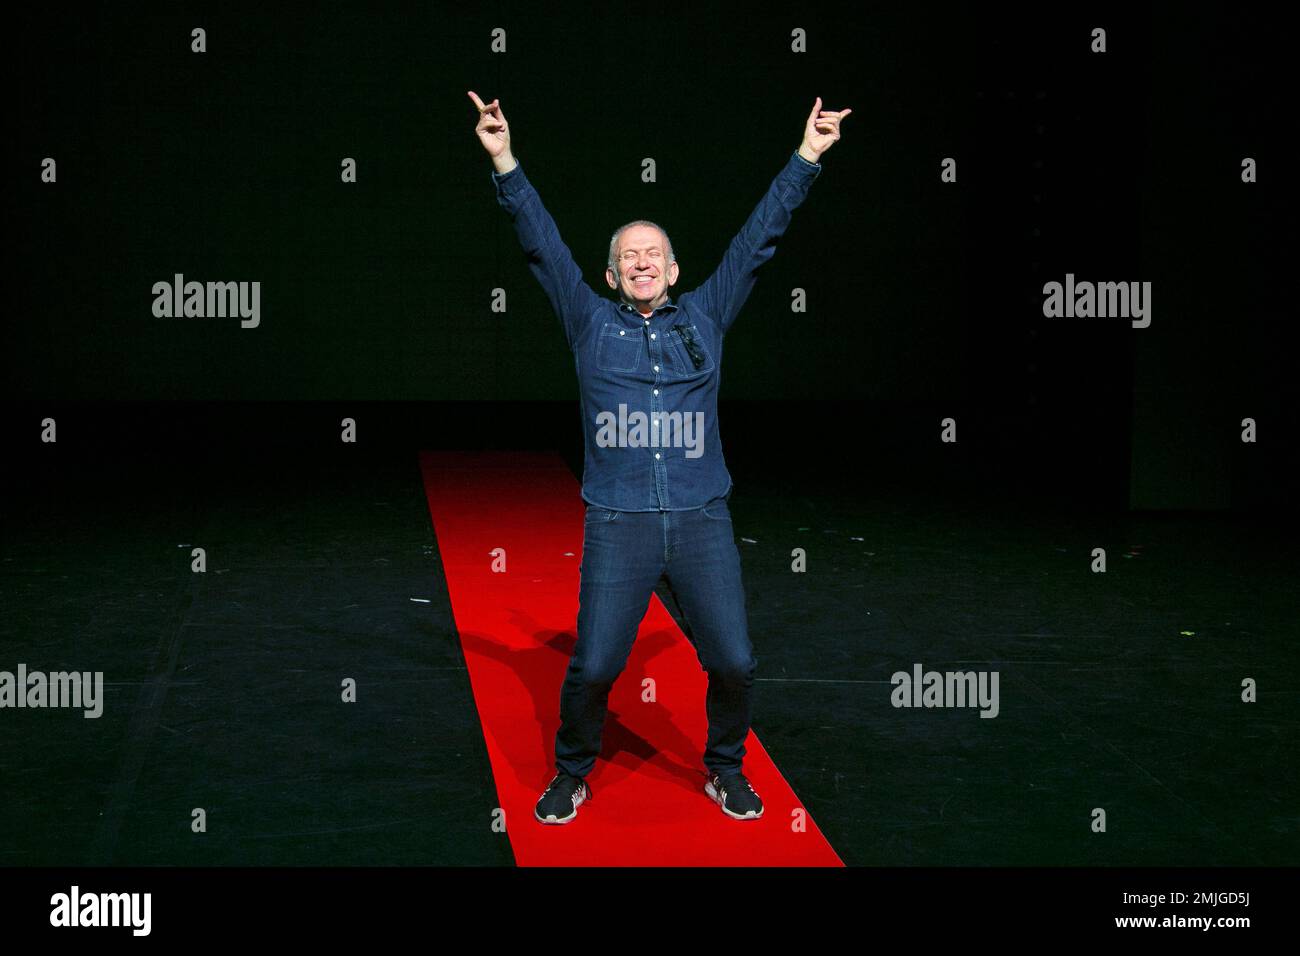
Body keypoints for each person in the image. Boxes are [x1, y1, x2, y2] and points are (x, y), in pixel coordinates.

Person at [466, 89, 850, 824]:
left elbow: (758, 238)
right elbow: (540, 240)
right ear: (610, 276)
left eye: (653, 255)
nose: (641, 264)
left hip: (702, 518)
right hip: (621, 521)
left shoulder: (705, 313)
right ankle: (572, 771)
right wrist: (504, 159)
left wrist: (807, 156)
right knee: (599, 665)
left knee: (734, 661)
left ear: (674, 270)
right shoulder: (588, 323)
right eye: (627, 257)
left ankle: (724, 768)